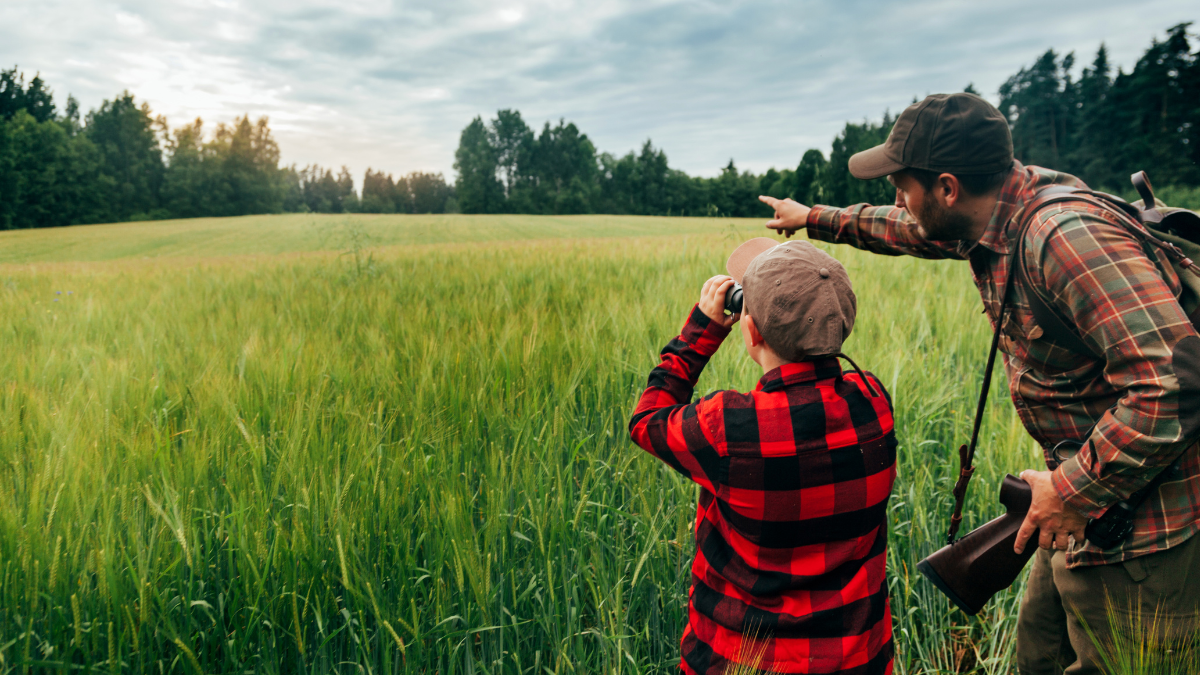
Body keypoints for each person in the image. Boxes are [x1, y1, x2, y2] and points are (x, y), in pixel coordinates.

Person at [759, 92, 1200, 674]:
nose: (897, 196)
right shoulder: (991, 210)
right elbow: (908, 228)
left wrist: (1069, 490)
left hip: (1146, 528)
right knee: (1038, 656)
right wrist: (813, 217)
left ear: (947, 187)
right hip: (1085, 505)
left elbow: (1176, 380)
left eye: (903, 183)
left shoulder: (1062, 237)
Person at [629, 239, 898, 675]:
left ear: (751, 332)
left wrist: (701, 331)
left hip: (736, 661)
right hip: (856, 662)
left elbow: (647, 419)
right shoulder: (874, 401)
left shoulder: (726, 428)